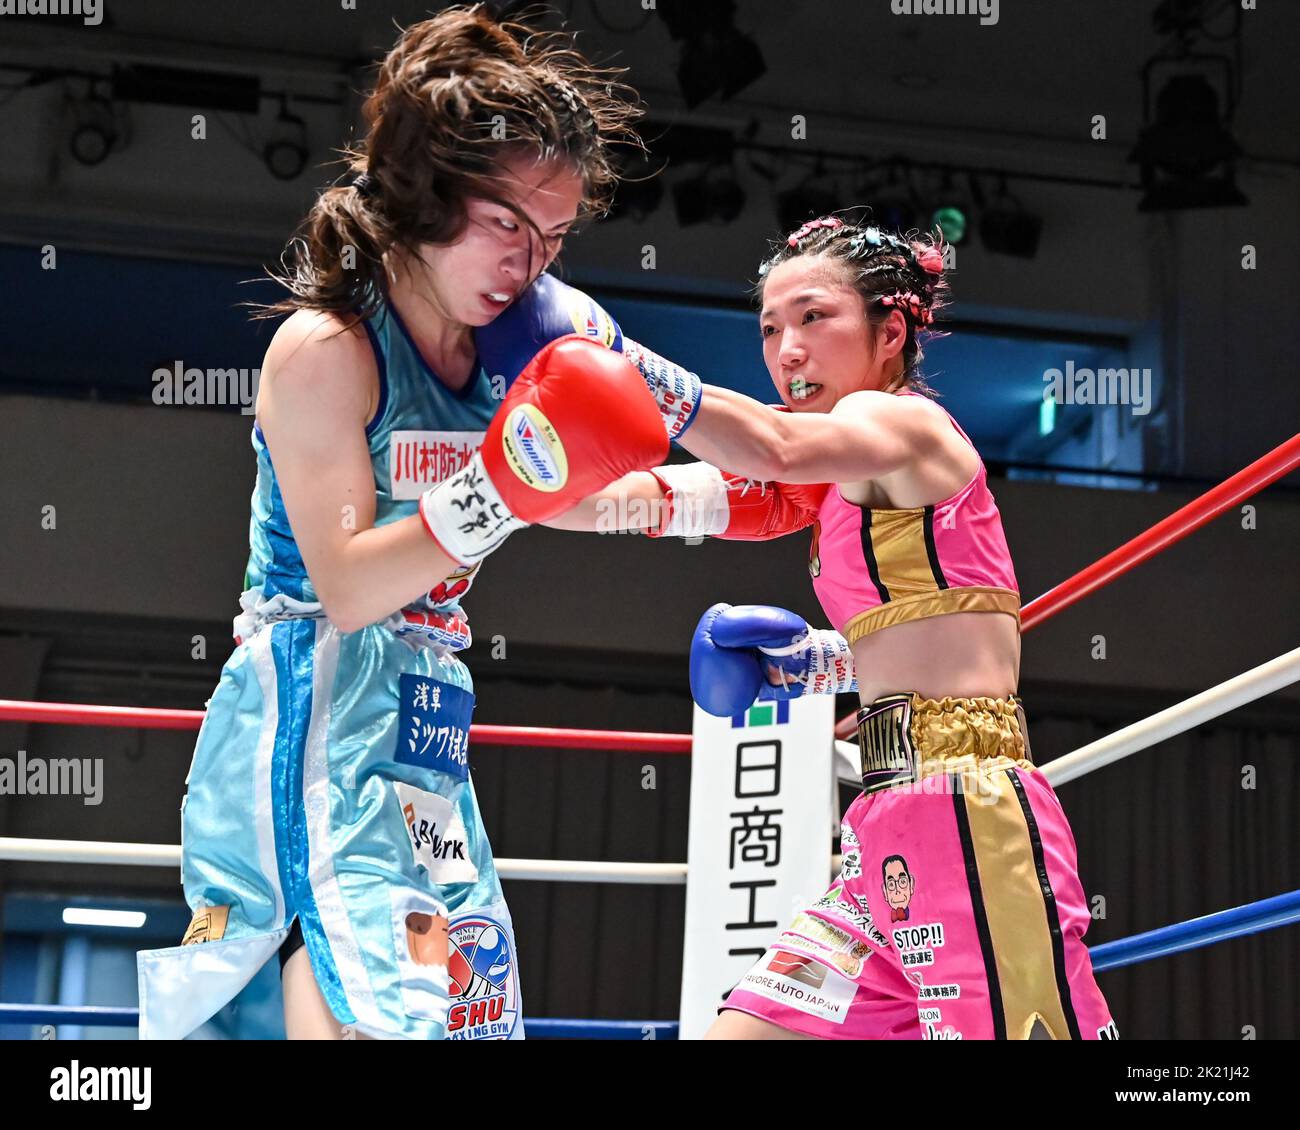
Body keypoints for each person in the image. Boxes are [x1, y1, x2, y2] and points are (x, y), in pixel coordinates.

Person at [135, 6, 676, 1041]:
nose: (530, 260)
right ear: (429, 196)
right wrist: (503, 488)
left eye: (553, 237)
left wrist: (733, 499)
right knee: (397, 995)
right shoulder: (326, 350)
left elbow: (595, 475)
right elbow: (347, 582)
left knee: (461, 1001)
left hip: (426, 697)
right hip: (317, 685)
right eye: (507, 224)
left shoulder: (516, 343)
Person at [551, 214, 1117, 1040]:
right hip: (883, 826)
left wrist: (611, 353)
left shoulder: (905, 429)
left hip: (967, 808)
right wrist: (489, 478)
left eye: (815, 317)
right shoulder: (832, 486)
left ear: (891, 331)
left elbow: (772, 445)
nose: (788, 349)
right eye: (771, 328)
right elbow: (625, 503)